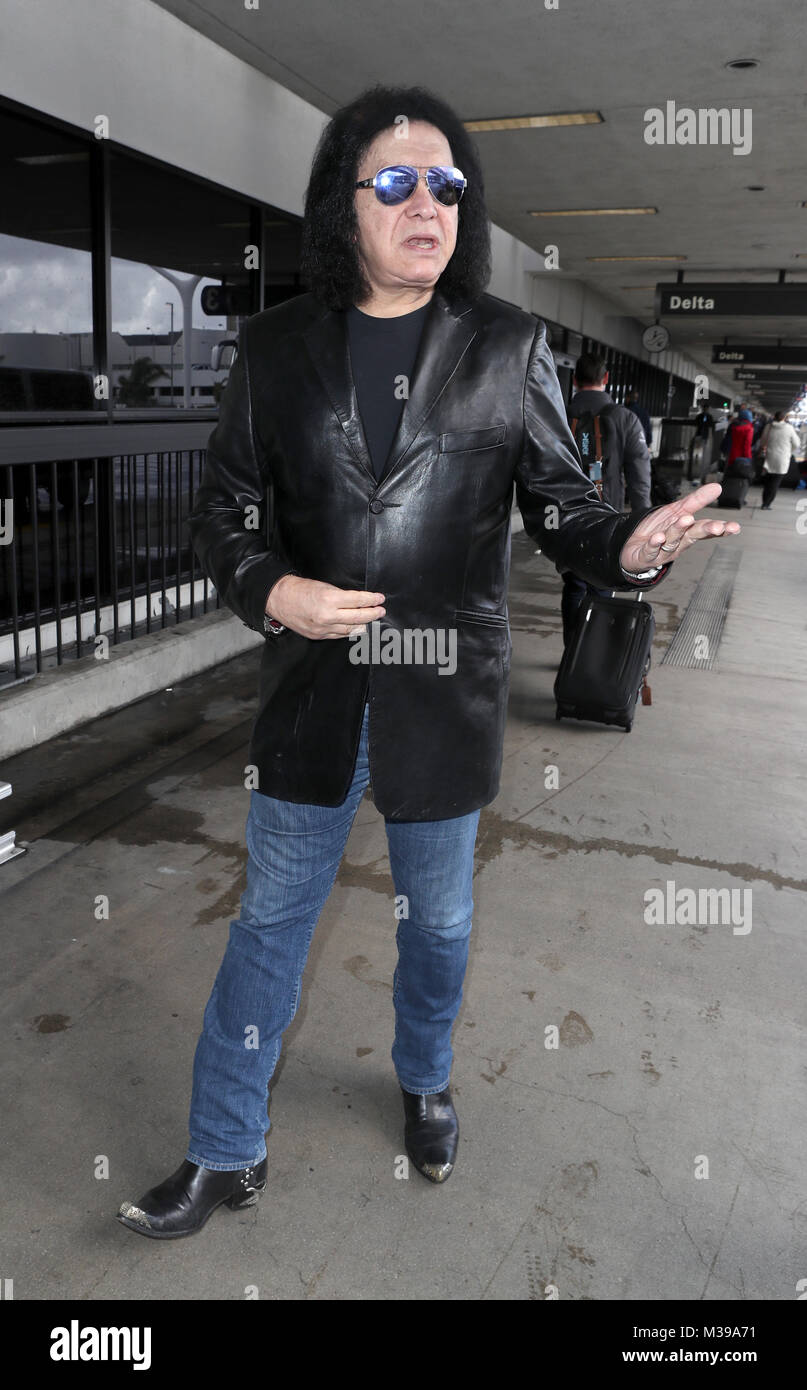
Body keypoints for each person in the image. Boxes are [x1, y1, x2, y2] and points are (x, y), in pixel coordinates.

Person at [116, 84, 739, 1240]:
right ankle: (222, 1149)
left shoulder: (508, 348)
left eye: (448, 186)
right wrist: (271, 589)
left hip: (443, 700)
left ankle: (424, 1077)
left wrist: (631, 548)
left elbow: (565, 510)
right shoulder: (274, 349)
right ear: (342, 204)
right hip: (310, 703)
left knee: (439, 928)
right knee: (267, 926)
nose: (427, 203)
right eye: (396, 181)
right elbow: (221, 511)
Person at [559, 357, 653, 645]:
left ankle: (572, 653)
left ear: (575, 380)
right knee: (599, 584)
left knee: (574, 582)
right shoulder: (624, 418)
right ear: (607, 378)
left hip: (564, 513)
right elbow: (639, 472)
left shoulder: (559, 413)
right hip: (606, 514)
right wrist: (644, 519)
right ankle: (590, 656)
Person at [757, 411, 801, 508]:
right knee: (775, 483)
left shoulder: (768, 427)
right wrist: (789, 451)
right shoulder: (789, 428)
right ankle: (767, 504)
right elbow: (797, 444)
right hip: (782, 459)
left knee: (767, 482)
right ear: (784, 418)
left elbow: (763, 442)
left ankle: (764, 501)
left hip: (768, 458)